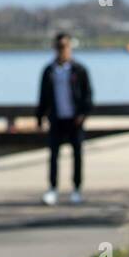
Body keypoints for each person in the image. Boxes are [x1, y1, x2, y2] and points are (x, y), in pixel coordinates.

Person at [35, 32, 92, 206]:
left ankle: (76, 189)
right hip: (56, 119)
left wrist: (83, 114)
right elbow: (43, 96)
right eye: (59, 47)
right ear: (55, 48)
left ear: (70, 47)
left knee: (77, 155)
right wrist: (40, 117)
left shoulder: (79, 70)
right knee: (53, 155)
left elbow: (87, 95)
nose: (62, 50)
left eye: (65, 47)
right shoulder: (49, 71)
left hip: (74, 120)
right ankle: (52, 189)